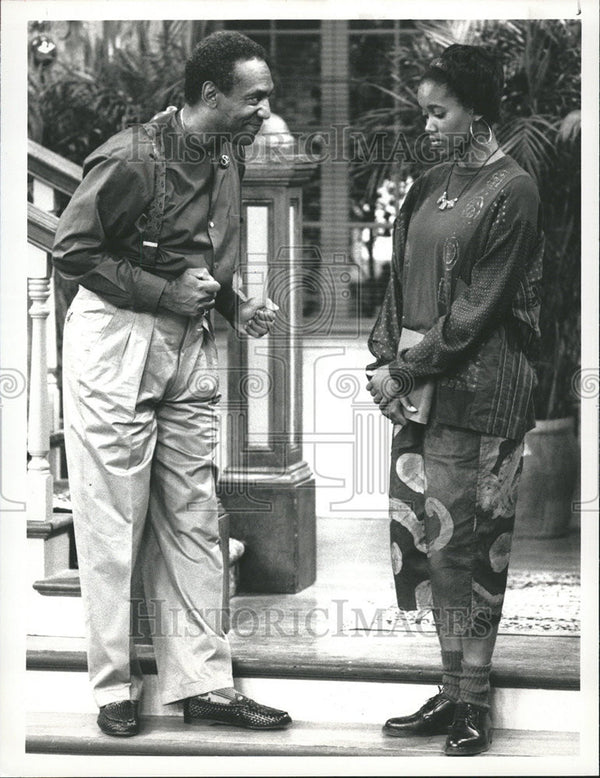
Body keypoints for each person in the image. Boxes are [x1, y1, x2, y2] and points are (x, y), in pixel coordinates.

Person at [53, 30, 291, 737]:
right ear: (211, 96)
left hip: (187, 340)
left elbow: (198, 259)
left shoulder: (225, 153)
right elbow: (72, 252)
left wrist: (233, 304)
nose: (265, 109)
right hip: (116, 341)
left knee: (193, 513)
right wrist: (164, 295)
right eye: (255, 97)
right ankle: (113, 688)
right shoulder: (128, 159)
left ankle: (205, 683)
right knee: (112, 520)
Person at [366, 44, 543, 756]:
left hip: (486, 393)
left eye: (439, 112)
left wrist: (404, 371)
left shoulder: (514, 189)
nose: (428, 124)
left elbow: (478, 310)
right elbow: (396, 283)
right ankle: (448, 690)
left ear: (476, 109)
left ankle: (476, 698)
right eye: (424, 112)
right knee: (433, 541)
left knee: (478, 548)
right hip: (423, 392)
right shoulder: (429, 180)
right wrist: (387, 366)